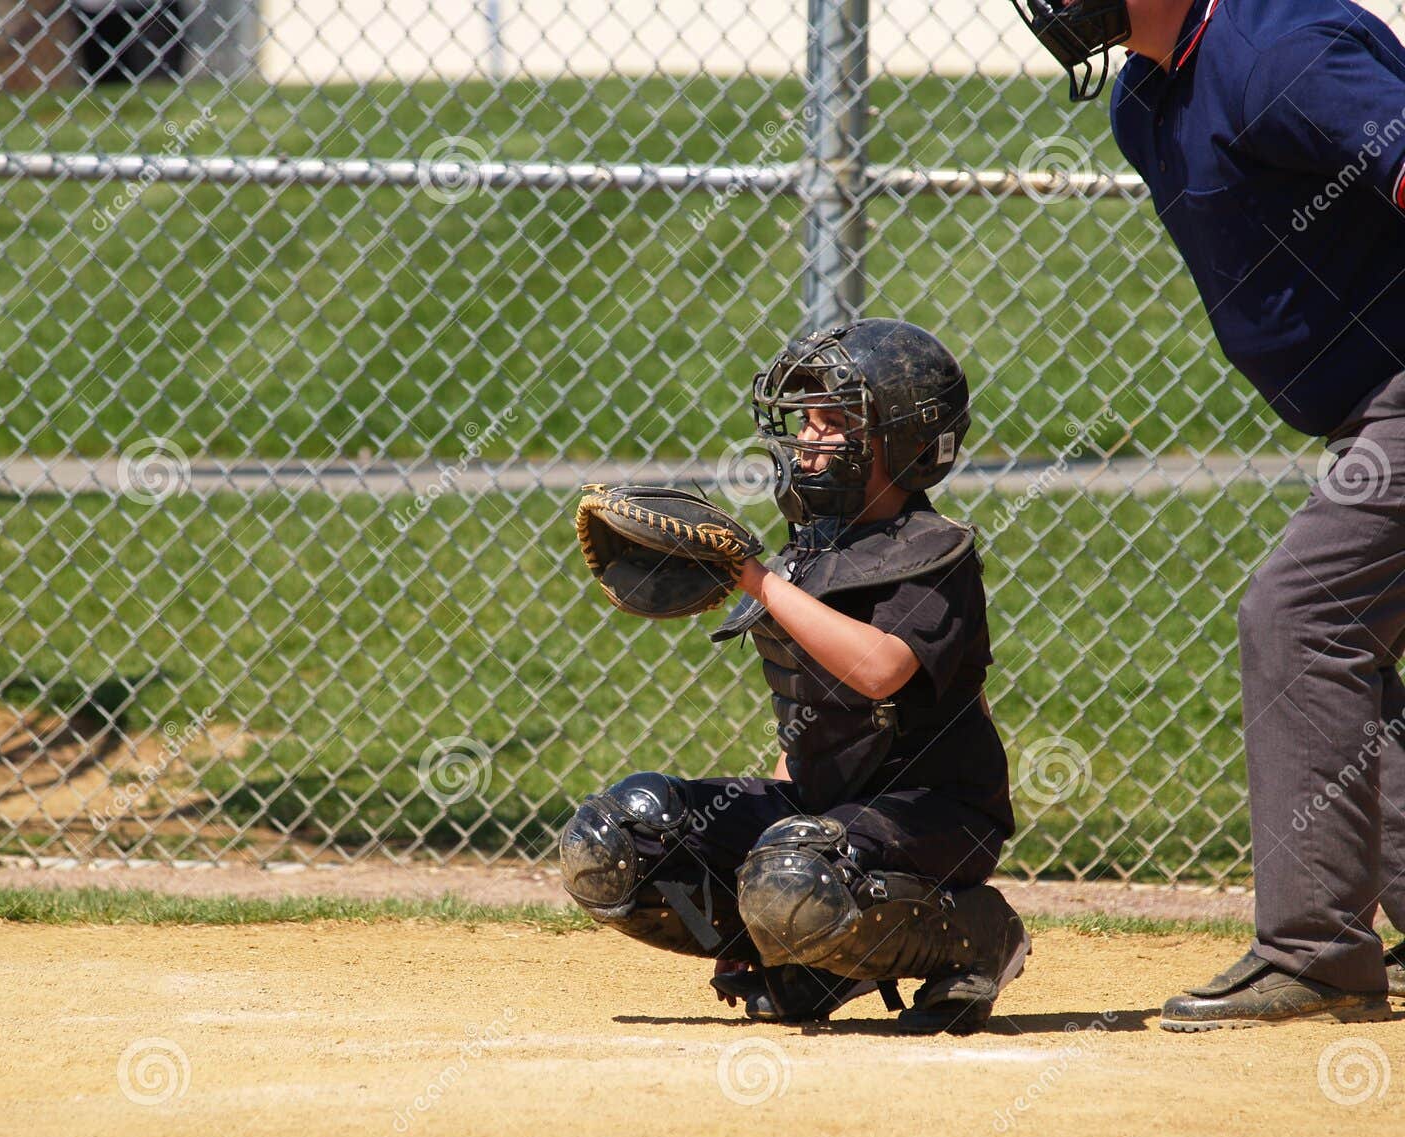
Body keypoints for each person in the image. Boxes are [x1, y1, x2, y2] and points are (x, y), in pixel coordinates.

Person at [1011, 0, 1405, 1027]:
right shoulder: (1146, 99)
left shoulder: (1279, 53)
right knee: (1346, 647)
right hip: (1365, 412)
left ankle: (1314, 954)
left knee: (1299, 618)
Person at [558, 318, 1028, 1033]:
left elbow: (879, 672)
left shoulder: (934, 555)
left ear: (898, 444)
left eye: (832, 423)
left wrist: (757, 580)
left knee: (794, 869)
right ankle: (803, 959)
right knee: (620, 839)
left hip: (936, 816)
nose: (806, 438)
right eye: (804, 420)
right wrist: (755, 925)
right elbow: (813, 717)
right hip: (828, 813)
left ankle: (978, 938)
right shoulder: (808, 555)